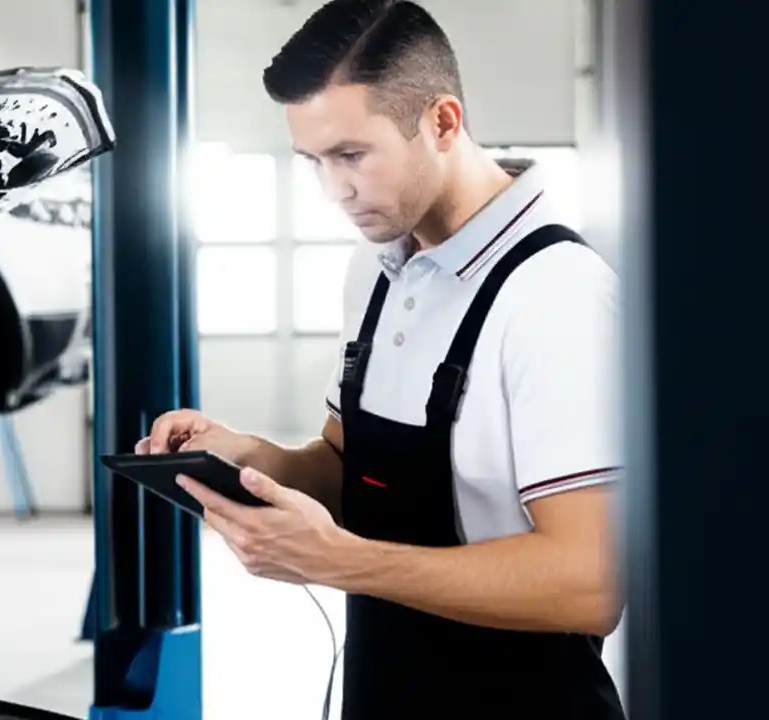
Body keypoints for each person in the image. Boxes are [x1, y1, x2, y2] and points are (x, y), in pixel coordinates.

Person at [136, 1, 626, 717]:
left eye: (351, 155)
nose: (333, 190)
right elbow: (348, 469)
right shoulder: (375, 273)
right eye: (313, 161)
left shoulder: (556, 295)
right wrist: (249, 458)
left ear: (443, 122)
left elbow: (591, 583)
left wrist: (338, 559)